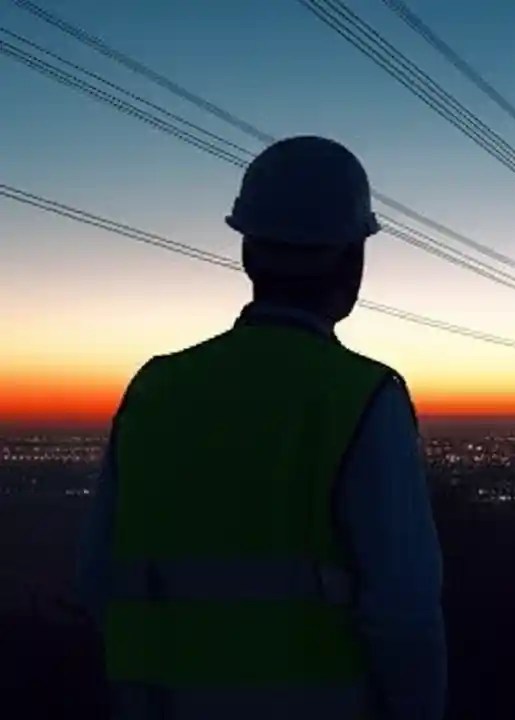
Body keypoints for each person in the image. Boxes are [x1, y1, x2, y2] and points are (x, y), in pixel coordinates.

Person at [74, 136, 446, 719]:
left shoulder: (154, 389)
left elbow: (97, 579)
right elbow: (404, 611)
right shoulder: (364, 399)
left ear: (248, 252)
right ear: (353, 261)